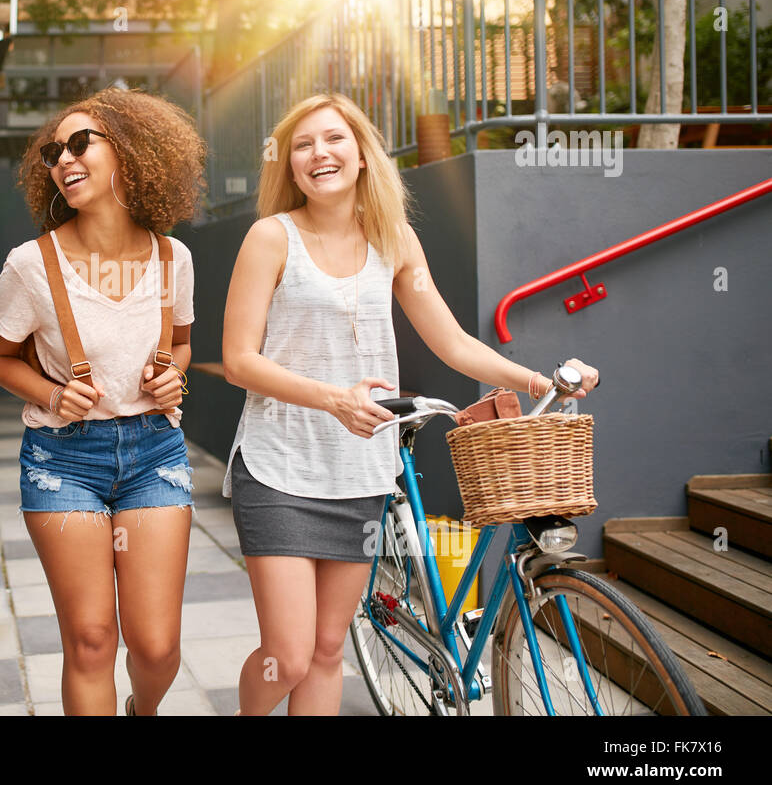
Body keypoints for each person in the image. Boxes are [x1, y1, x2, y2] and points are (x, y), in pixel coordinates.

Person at [221, 92, 599, 716]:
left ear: (363, 154)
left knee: (324, 651)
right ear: (289, 167)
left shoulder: (393, 241)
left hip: (363, 473)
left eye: (333, 138)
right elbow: (239, 360)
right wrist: (332, 398)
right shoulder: (271, 237)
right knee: (285, 655)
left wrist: (538, 381)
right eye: (303, 146)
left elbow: (450, 341)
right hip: (279, 465)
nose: (320, 153)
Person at [0, 88, 206, 715]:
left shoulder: (172, 257)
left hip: (154, 455)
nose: (64, 159)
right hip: (61, 463)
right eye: (54, 152)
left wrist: (173, 378)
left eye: (81, 143)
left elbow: (182, 347)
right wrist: (54, 393)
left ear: (131, 154)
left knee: (157, 646)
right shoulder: (32, 264)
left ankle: (142, 709)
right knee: (89, 639)